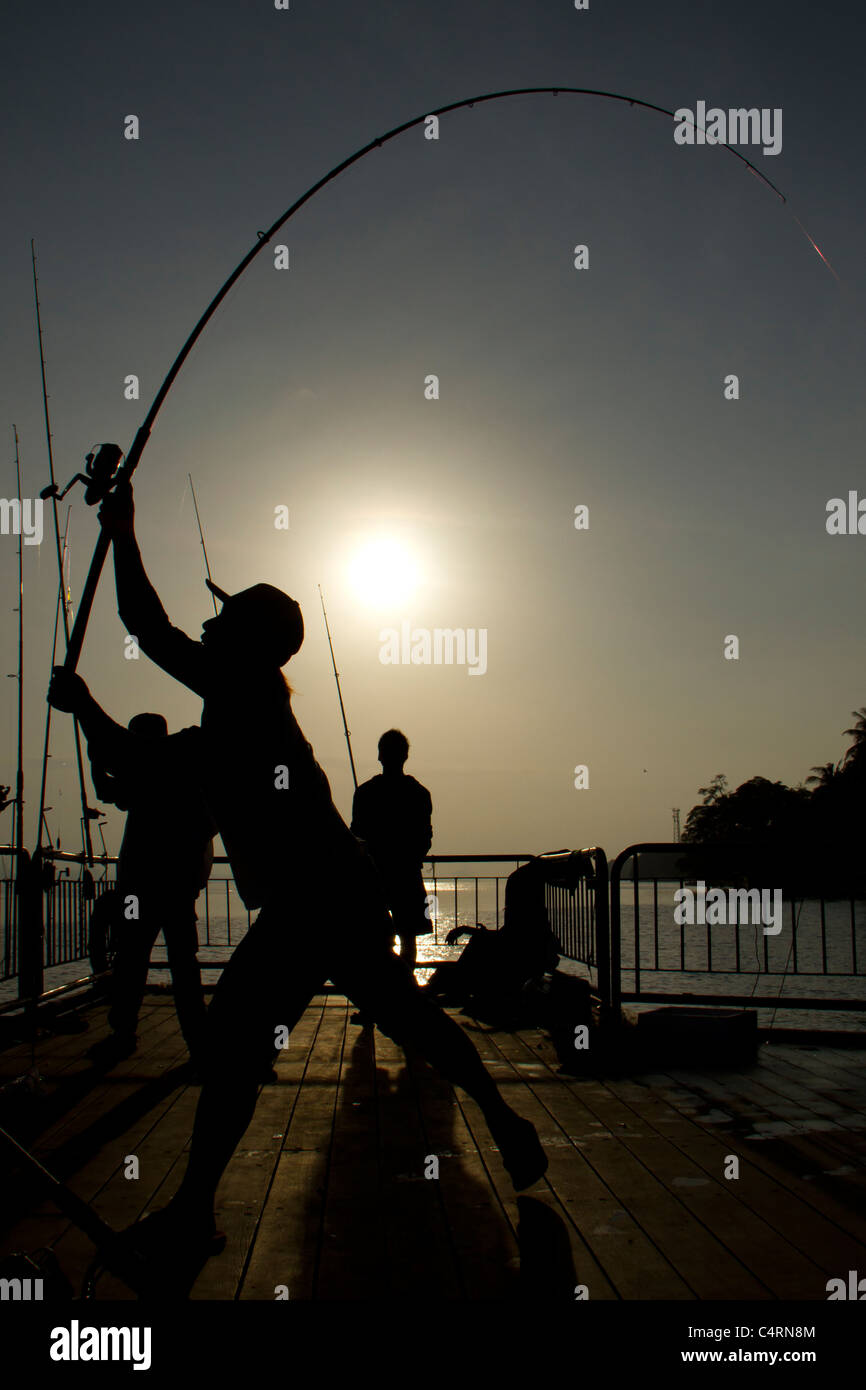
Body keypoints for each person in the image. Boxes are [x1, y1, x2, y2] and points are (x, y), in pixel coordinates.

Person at [66, 478, 546, 1293]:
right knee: (405, 1018)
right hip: (334, 894)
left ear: (249, 639)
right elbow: (153, 761)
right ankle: (505, 1120)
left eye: (225, 616)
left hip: (314, 900)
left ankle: (192, 1211)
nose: (209, 623)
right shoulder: (234, 710)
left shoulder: (241, 690)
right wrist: (85, 708)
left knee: (234, 1048)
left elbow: (146, 626)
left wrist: (124, 528)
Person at [46, 690, 215, 1066]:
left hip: (139, 885)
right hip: (178, 888)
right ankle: (198, 1043)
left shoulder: (140, 774)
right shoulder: (185, 773)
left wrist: (93, 760)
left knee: (132, 958)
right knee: (183, 964)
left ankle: (124, 1033)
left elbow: (109, 792)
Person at [349, 731, 432, 1026]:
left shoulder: (366, 793)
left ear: (381, 755)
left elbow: (355, 836)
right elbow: (425, 838)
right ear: (405, 756)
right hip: (407, 874)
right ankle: (407, 1001)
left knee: (373, 943)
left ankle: (375, 1006)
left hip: (374, 877)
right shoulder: (419, 794)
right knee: (408, 937)